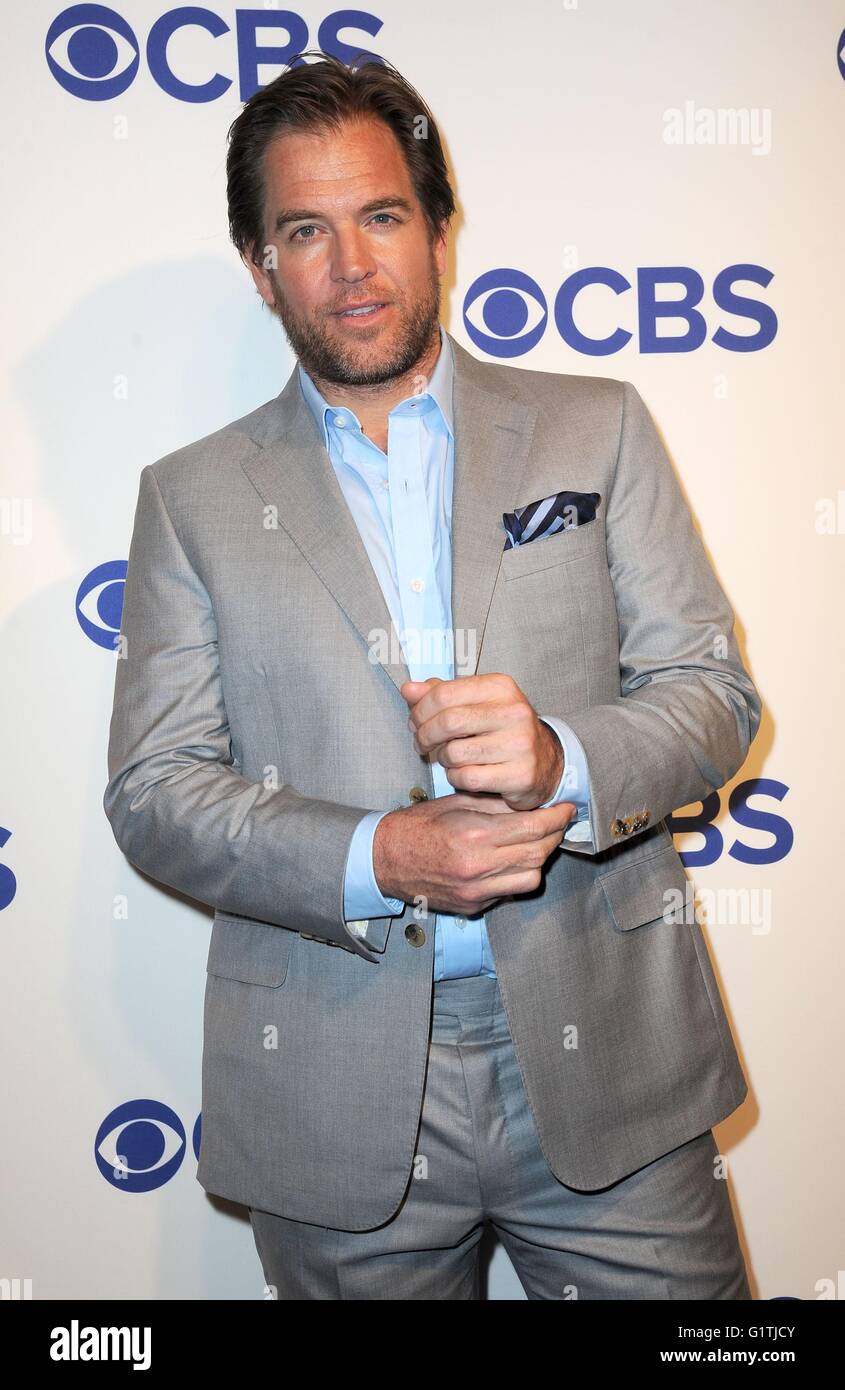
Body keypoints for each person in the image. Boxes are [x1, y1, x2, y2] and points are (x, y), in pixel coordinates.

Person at [104, 51, 762, 1300]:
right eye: (306, 229)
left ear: (440, 230)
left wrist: (564, 758)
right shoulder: (189, 498)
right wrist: (378, 855)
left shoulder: (597, 427)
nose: (352, 267)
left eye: (384, 216)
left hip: (614, 1070)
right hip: (332, 1093)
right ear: (260, 267)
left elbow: (711, 695)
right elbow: (153, 789)